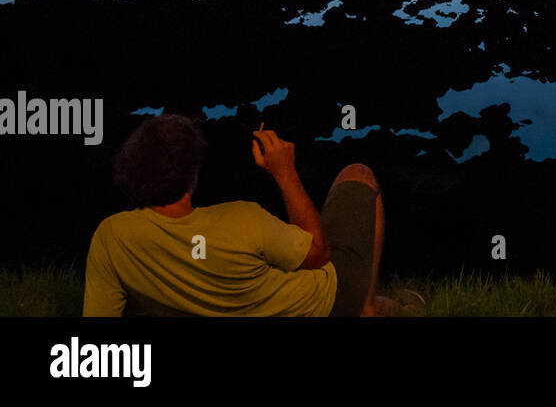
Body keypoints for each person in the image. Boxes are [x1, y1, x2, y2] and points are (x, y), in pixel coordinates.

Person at [83, 113, 388, 317]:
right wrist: (285, 173)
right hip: (327, 303)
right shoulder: (244, 219)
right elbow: (318, 256)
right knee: (358, 174)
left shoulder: (112, 237)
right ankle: (367, 309)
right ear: (192, 175)